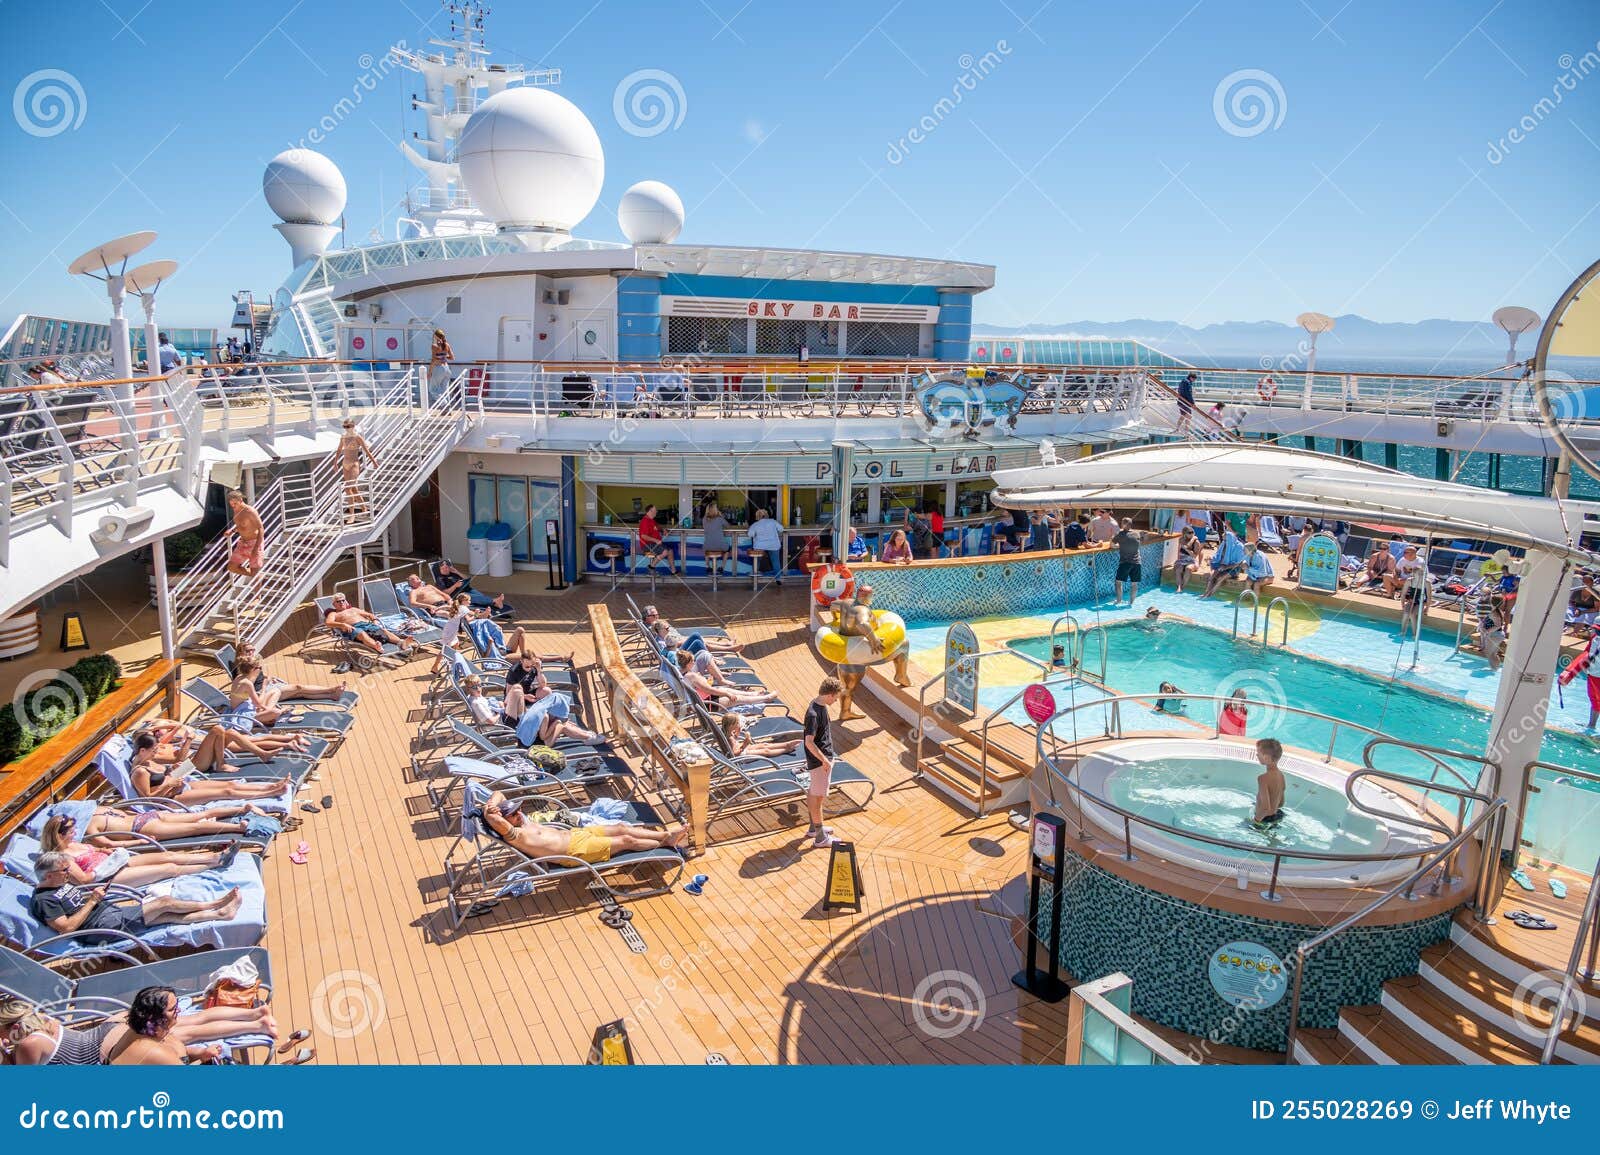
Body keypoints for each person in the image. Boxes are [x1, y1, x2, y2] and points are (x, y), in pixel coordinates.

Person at [30, 853, 242, 939]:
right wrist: (93, 900)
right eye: (65, 870)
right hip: (102, 929)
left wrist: (96, 900)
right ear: (49, 875)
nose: (69, 873)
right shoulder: (44, 900)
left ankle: (221, 914)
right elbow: (66, 928)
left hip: (110, 915)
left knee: (165, 916)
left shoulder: (58, 884)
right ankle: (216, 904)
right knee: (163, 903)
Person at [479, 791, 686, 864]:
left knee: (622, 826)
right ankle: (665, 843)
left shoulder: (521, 820)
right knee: (626, 841)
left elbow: (498, 793)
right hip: (574, 852)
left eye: (517, 810)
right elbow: (498, 822)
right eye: (513, 814)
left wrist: (490, 805)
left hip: (577, 834)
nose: (518, 813)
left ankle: (666, 835)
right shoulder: (515, 834)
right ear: (505, 821)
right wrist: (490, 814)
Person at [38, 814, 237, 887]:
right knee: (168, 868)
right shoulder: (61, 858)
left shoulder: (76, 845)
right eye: (71, 831)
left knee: (167, 855)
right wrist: (106, 865)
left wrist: (120, 850)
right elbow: (83, 880)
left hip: (117, 862)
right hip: (108, 878)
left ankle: (215, 856)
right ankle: (214, 864)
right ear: (59, 835)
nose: (75, 833)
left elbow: (102, 848)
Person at [128, 734, 293, 803]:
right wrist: (168, 784)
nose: (157, 752)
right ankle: (271, 792)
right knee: (226, 792)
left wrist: (173, 771)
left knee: (231, 785)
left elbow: (164, 778)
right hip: (172, 799)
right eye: (154, 750)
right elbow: (148, 799)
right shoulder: (140, 772)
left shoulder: (148, 762)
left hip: (179, 784)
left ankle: (272, 786)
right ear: (142, 750)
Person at [802, 677, 842, 848]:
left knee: (813, 792)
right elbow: (808, 742)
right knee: (818, 799)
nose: (836, 700)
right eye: (836, 697)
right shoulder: (813, 714)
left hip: (819, 760)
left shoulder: (819, 705)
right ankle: (820, 837)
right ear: (830, 694)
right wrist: (824, 760)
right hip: (819, 762)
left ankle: (814, 827)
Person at [676, 650, 780, 710]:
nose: (694, 663)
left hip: (701, 699)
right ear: (688, 663)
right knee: (736, 699)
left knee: (726, 689)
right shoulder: (691, 676)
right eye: (693, 661)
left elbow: (702, 688)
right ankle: (767, 698)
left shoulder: (682, 672)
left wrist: (708, 682)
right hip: (706, 705)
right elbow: (709, 690)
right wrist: (726, 695)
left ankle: (754, 694)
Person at [323, 592, 417, 656]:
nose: (341, 602)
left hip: (367, 625)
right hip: (353, 628)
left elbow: (369, 614)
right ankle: (376, 646)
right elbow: (328, 623)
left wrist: (375, 621)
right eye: (338, 601)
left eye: (343, 600)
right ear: (334, 604)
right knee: (361, 634)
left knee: (383, 630)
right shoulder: (334, 613)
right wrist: (343, 625)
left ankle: (402, 643)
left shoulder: (353, 609)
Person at [641, 606, 743, 654]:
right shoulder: (653, 628)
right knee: (699, 642)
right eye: (654, 615)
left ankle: (727, 645)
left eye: (657, 614)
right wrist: (681, 641)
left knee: (699, 637)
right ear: (646, 617)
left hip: (677, 640)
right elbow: (666, 644)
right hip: (677, 648)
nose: (657, 616)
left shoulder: (653, 624)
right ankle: (729, 649)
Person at [336, 418, 377, 522]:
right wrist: (335, 462)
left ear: (353, 426)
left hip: (354, 464)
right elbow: (339, 450)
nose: (346, 429)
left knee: (347, 488)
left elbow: (366, 450)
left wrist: (374, 462)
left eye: (348, 426)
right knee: (353, 488)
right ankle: (363, 506)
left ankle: (352, 515)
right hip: (345, 464)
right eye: (344, 427)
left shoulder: (357, 437)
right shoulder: (343, 437)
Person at [1558, 632, 1599, 732]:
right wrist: (1570, 673)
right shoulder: (1595, 637)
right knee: (1594, 700)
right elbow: (1586, 654)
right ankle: (1591, 725)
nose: (1597, 632)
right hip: (1593, 674)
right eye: (1596, 630)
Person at [719, 713, 800, 759]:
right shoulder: (730, 738)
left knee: (765, 745)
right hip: (742, 756)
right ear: (731, 725)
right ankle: (786, 749)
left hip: (741, 749)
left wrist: (738, 730)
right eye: (737, 723)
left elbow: (735, 739)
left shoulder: (726, 732)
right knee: (766, 751)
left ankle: (786, 744)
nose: (738, 724)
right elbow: (734, 753)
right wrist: (745, 744)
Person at [225, 490, 264, 578]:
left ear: (241, 500)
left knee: (255, 572)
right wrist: (232, 531)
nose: (233, 506)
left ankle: (257, 585)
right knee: (231, 567)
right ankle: (256, 575)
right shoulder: (236, 510)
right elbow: (241, 524)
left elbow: (261, 528)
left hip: (254, 543)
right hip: (243, 543)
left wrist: (256, 548)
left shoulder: (250, 511)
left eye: (235, 503)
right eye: (231, 504)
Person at [635, 503, 677, 576]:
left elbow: (658, 527)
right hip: (647, 545)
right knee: (665, 552)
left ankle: (674, 571)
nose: (656, 512)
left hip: (654, 544)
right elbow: (643, 536)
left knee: (670, 551)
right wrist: (656, 540)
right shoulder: (645, 521)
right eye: (655, 510)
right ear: (650, 511)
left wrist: (664, 530)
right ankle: (651, 566)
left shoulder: (652, 520)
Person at [1203, 527, 1247, 597]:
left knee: (1220, 578)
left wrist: (1226, 567)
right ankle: (1206, 593)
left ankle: (1210, 594)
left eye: (1225, 540)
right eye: (1223, 540)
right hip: (1222, 566)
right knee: (1212, 576)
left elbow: (1239, 563)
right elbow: (1218, 555)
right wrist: (1212, 559)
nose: (1224, 541)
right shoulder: (1224, 544)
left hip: (1233, 568)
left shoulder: (1239, 547)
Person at [1252, 738, 1286, 826]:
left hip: (1264, 819)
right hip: (1277, 816)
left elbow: (1265, 808)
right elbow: (1281, 803)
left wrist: (1256, 821)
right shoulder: (1281, 776)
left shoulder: (1263, 779)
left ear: (1266, 757)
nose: (1256, 755)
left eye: (1258, 753)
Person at [748, 507, 784, 585]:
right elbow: (781, 529)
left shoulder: (755, 524)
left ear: (757, 516)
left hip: (759, 546)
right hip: (773, 545)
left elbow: (750, 534)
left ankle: (755, 577)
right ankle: (778, 578)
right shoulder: (773, 521)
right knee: (776, 562)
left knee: (757, 561)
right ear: (766, 515)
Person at [1112, 517, 1142, 604]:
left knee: (1118, 582)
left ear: (1123, 524)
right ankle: (1131, 602)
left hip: (1125, 562)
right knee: (1134, 584)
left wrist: (1118, 546)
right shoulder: (1137, 534)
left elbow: (1112, 544)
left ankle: (1118, 600)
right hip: (1137, 562)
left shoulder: (1120, 534)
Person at [1399, 553, 1429, 635]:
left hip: (1421, 602)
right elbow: (1403, 594)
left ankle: (1414, 634)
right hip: (1411, 601)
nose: (1420, 576)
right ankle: (1402, 631)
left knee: (1412, 615)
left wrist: (1427, 608)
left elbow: (1429, 597)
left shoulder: (1426, 583)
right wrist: (1402, 605)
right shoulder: (1409, 580)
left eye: (1421, 574)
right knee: (1406, 614)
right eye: (1418, 574)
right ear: (1413, 574)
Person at [701, 502, 733, 575]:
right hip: (720, 545)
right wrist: (721, 515)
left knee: (706, 550)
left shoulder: (704, 519)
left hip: (707, 546)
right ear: (715, 509)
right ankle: (721, 567)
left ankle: (708, 567)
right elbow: (728, 526)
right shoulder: (720, 519)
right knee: (728, 549)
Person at [1173, 526, 1202, 593]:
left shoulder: (1196, 542)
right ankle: (1179, 587)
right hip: (1182, 560)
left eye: (1193, 532)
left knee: (1188, 569)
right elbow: (1183, 548)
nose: (1191, 534)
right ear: (1184, 533)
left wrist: (1186, 549)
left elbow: (1194, 556)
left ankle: (1183, 587)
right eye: (1189, 533)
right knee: (1178, 569)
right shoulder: (1181, 539)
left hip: (1192, 561)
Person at [429, 327, 454, 397]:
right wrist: (444, 357)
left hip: (439, 368)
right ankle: (447, 406)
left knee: (432, 389)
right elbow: (452, 358)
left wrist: (429, 372)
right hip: (447, 368)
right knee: (445, 390)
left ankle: (443, 403)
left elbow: (433, 360)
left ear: (436, 336)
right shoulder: (447, 345)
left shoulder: (434, 346)